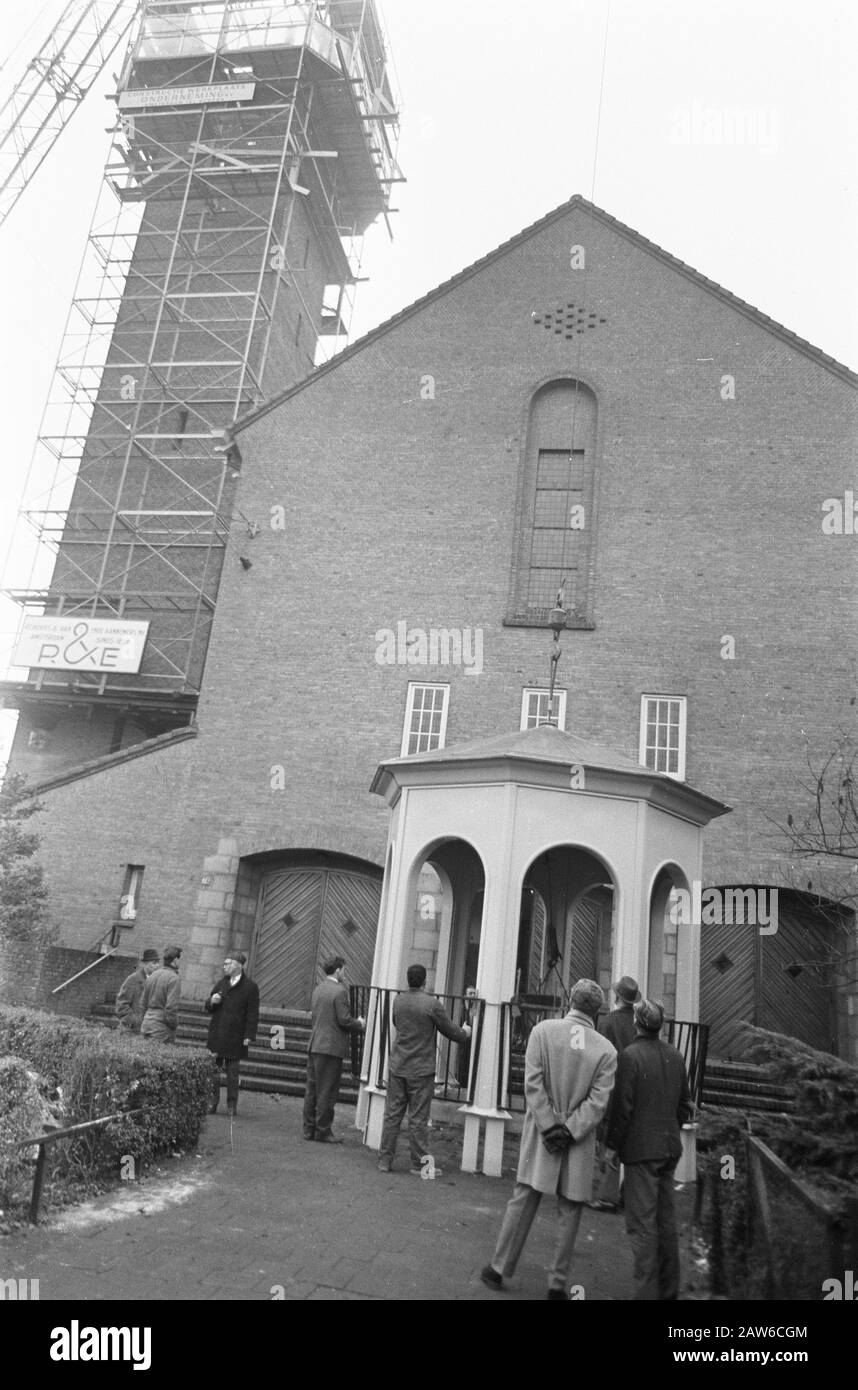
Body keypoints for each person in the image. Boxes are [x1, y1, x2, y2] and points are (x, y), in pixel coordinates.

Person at [480, 979, 617, 1300]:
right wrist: (570, 1130)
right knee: (570, 1208)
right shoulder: (606, 1050)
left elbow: (532, 1084)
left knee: (524, 1196)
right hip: (578, 1138)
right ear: (596, 1010)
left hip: (543, 1132)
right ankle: (557, 1284)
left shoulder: (542, 1031)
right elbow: (599, 1101)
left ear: (571, 1000)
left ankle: (498, 1268)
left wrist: (550, 1125)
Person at [605, 997, 695, 1301]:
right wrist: (669, 1127)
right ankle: (668, 1291)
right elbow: (685, 1104)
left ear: (637, 1023)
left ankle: (646, 1294)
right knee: (665, 1222)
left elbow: (623, 1109)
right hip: (669, 1145)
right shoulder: (675, 1054)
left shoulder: (629, 1057)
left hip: (642, 1151)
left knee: (641, 1224)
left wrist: (612, 1146)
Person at [378, 963, 472, 1176]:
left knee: (392, 1115)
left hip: (398, 1066)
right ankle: (421, 1165)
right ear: (424, 981)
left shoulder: (398, 1001)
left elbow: (395, 1022)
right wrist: (466, 1032)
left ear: (408, 980)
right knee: (418, 1119)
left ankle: (384, 1160)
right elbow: (452, 1032)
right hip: (421, 1070)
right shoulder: (432, 1004)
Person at [591, 973, 641, 1211]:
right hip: (637, 1086)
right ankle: (626, 1193)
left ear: (617, 996)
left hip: (612, 1084)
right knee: (629, 1140)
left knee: (608, 1138)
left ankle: (606, 1195)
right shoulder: (638, 1022)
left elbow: (599, 1054)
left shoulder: (608, 1022)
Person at [303, 956, 365, 1143]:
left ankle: (308, 1129)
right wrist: (360, 1023)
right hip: (331, 1047)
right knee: (327, 1091)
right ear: (337, 970)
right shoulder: (340, 991)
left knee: (312, 1089)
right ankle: (323, 1131)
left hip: (315, 1043)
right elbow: (344, 1020)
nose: (344, 973)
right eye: (344, 970)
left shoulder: (318, 989)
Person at [205, 951, 260, 1116]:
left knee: (232, 1074)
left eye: (228, 963)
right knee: (213, 1072)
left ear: (239, 965)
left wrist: (249, 1035)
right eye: (224, 964)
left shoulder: (250, 987)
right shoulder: (222, 983)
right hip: (217, 1034)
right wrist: (211, 1002)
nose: (225, 966)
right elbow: (208, 1006)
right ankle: (211, 1103)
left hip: (236, 1036)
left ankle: (231, 1105)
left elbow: (252, 1013)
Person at [140, 945, 182, 1043]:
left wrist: (145, 1018)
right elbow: (171, 1008)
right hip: (161, 1027)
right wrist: (173, 1026)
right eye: (179, 959)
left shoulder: (152, 975)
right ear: (175, 961)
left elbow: (142, 1002)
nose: (180, 962)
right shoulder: (174, 978)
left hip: (146, 1023)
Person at [115, 949, 159, 1032]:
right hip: (131, 1031)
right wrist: (134, 1021)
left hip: (148, 1030)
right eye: (154, 963)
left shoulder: (156, 981)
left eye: (158, 963)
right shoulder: (133, 979)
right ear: (145, 964)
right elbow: (121, 1004)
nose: (157, 966)